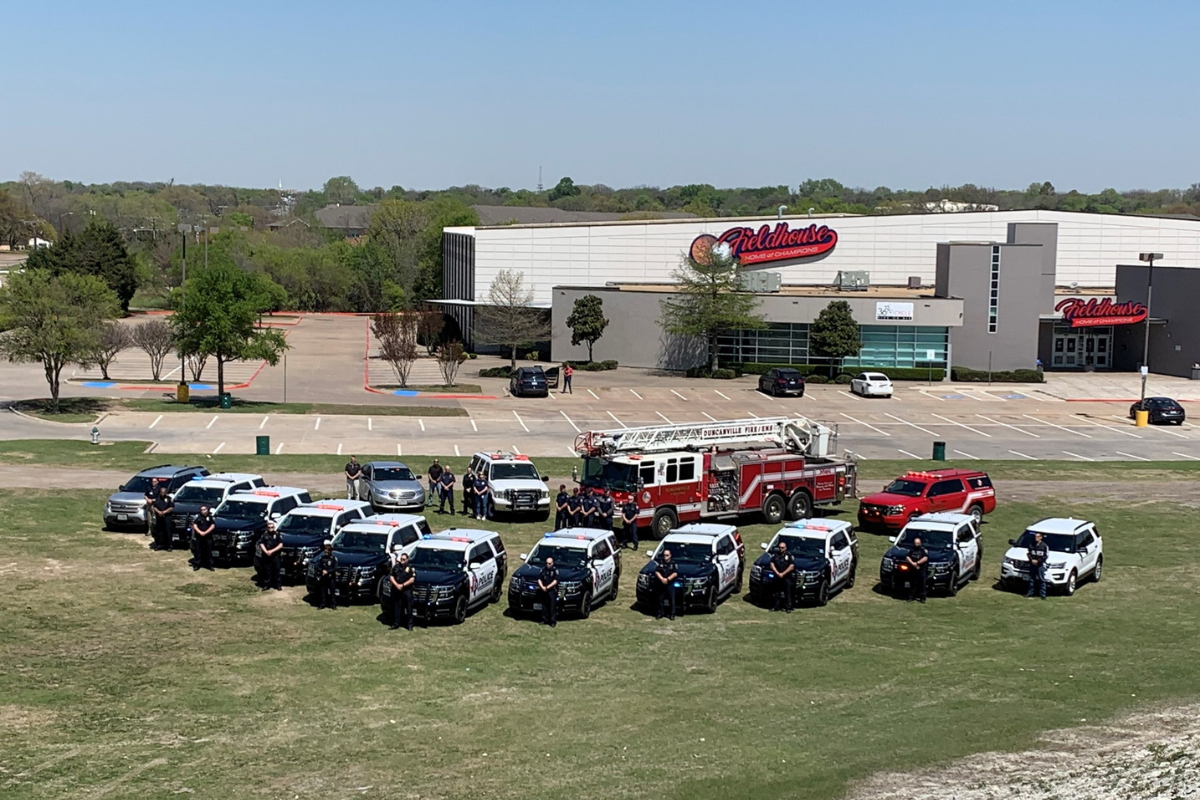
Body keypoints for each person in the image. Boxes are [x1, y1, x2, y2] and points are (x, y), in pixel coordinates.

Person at [389, 552, 416, 630]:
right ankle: (396, 623)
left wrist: (403, 585)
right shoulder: (396, 567)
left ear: (407, 560)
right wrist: (396, 585)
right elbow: (391, 576)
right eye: (401, 559)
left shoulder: (410, 568)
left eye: (404, 559)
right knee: (397, 607)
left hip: (406, 590)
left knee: (409, 608)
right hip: (397, 590)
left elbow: (412, 579)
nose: (402, 560)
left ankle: (409, 625)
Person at [770, 539, 796, 612]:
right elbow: (772, 564)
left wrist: (783, 573)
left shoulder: (789, 555)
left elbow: (791, 566)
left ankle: (788, 607)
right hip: (777, 577)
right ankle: (776, 607)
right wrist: (778, 573)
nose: (781, 549)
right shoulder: (775, 555)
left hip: (786, 577)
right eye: (780, 547)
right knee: (776, 593)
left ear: (786, 548)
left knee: (788, 592)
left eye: (782, 548)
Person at [654, 549, 679, 620]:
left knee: (672, 599)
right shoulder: (660, 563)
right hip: (661, 584)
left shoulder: (673, 563)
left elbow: (675, 573)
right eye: (664, 555)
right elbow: (657, 571)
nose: (665, 557)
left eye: (667, 555)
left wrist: (668, 579)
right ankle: (660, 613)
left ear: (670, 555)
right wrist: (662, 579)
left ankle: (672, 614)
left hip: (670, 584)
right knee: (660, 599)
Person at [258, 521, 283, 591]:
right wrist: (266, 551)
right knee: (267, 571)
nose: (270, 529)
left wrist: (272, 551)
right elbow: (261, 543)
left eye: (272, 527)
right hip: (266, 556)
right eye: (269, 527)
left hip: (275, 555)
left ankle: (278, 585)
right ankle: (267, 585)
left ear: (274, 527)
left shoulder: (277, 535)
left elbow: (280, 545)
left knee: (276, 570)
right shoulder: (264, 535)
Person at [314, 540, 339, 609]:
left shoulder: (333, 559)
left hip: (331, 578)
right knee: (323, 591)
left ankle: (333, 604)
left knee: (332, 592)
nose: (326, 552)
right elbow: (317, 566)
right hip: (323, 577)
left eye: (327, 551)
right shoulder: (321, 558)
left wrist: (328, 571)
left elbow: (335, 568)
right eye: (325, 550)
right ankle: (323, 603)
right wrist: (322, 570)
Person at [1025, 531, 1050, 600]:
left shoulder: (1044, 546)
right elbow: (1028, 553)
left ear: (1041, 537)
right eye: (1035, 536)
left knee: (1042, 580)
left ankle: (1043, 595)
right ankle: (1030, 593)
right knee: (1031, 579)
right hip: (1032, 565)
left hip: (1040, 565)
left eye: (1038, 537)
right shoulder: (1031, 545)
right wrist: (1031, 560)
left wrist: (1038, 561)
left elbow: (1046, 556)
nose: (1036, 538)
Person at [905, 536, 929, 603]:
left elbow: (925, 558)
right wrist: (913, 564)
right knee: (913, 584)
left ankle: (922, 598)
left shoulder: (923, 550)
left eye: (918, 543)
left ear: (920, 543)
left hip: (922, 570)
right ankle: (911, 597)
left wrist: (918, 563)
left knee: (923, 585)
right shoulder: (911, 550)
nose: (916, 545)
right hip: (913, 570)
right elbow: (907, 557)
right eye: (915, 543)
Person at [191, 504, 215, 571]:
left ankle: (210, 565)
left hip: (208, 538)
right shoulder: (198, 517)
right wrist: (200, 532)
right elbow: (194, 525)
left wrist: (205, 532)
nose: (203, 511)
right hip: (199, 537)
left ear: (207, 510)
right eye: (201, 510)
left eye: (204, 510)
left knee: (208, 552)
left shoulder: (210, 517)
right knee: (198, 552)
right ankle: (197, 565)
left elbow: (212, 526)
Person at [150, 485, 175, 551]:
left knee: (168, 531)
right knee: (159, 531)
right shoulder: (157, 499)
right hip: (159, 517)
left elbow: (171, 507)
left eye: (164, 492)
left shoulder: (169, 499)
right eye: (161, 492)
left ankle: (169, 545)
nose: (162, 493)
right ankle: (160, 544)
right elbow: (154, 506)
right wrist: (158, 512)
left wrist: (164, 512)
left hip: (167, 517)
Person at [538, 555, 559, 627]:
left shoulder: (555, 571)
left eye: (549, 563)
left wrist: (547, 587)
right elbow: (539, 579)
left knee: (552, 607)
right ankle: (544, 620)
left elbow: (555, 581)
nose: (548, 565)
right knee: (544, 606)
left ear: (552, 563)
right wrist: (542, 587)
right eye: (547, 563)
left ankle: (552, 621)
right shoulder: (543, 570)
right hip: (544, 591)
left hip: (552, 591)